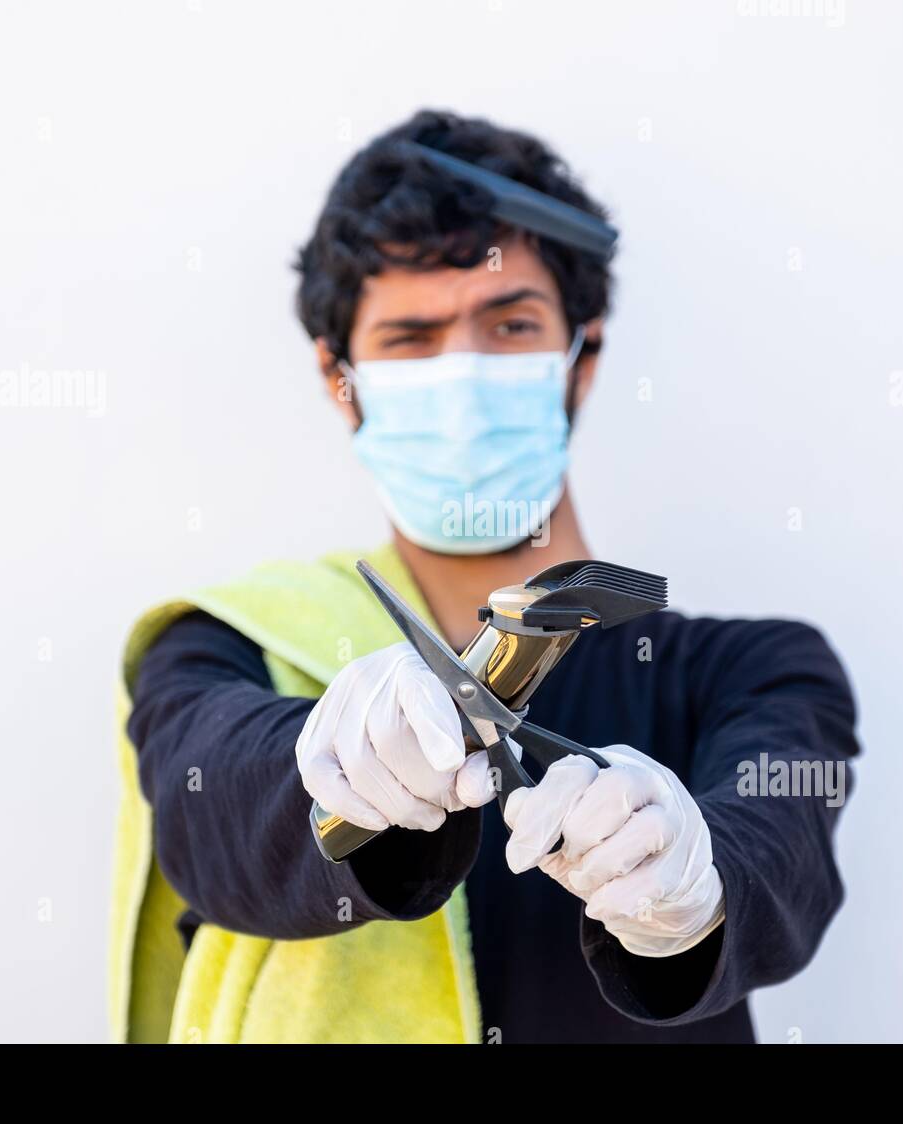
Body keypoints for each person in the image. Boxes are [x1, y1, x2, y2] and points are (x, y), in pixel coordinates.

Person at [107, 108, 861, 1044]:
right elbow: (209, 814)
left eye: (509, 323)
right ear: (339, 379)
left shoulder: (756, 669)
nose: (462, 375)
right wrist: (333, 767)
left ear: (581, 359)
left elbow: (782, 856)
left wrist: (694, 890)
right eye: (412, 338)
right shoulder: (229, 644)